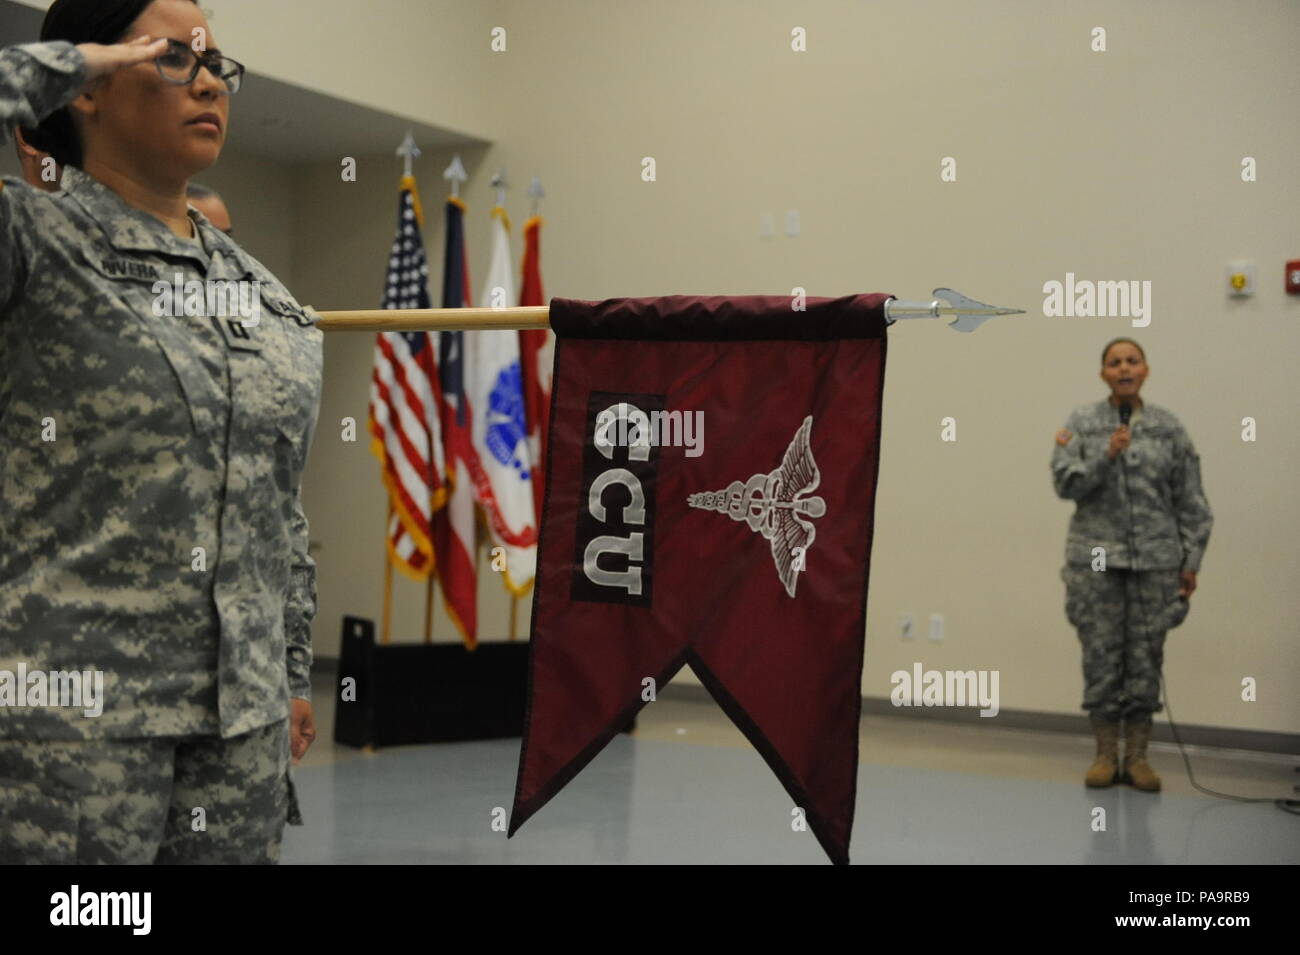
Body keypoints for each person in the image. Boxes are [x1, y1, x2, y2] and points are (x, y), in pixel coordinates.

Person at [0, 0, 321, 863]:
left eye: (218, 64)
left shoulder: (270, 301)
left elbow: (279, 509)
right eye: (174, 58)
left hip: (237, 731)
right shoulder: (33, 239)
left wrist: (291, 669)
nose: (211, 79)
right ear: (95, 84)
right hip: (73, 732)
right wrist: (58, 66)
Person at [1051, 338, 1212, 792]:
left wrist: (1191, 561)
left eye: (1132, 361)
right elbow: (1065, 483)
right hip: (1096, 562)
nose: (1123, 368)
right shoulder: (1082, 424)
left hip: (1154, 564)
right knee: (1101, 656)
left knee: (1145, 659)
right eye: (1114, 362)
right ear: (1103, 373)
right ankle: (1105, 755)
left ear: (1145, 370)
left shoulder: (1168, 429)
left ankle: (1138, 758)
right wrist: (1106, 455)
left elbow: (1193, 502)